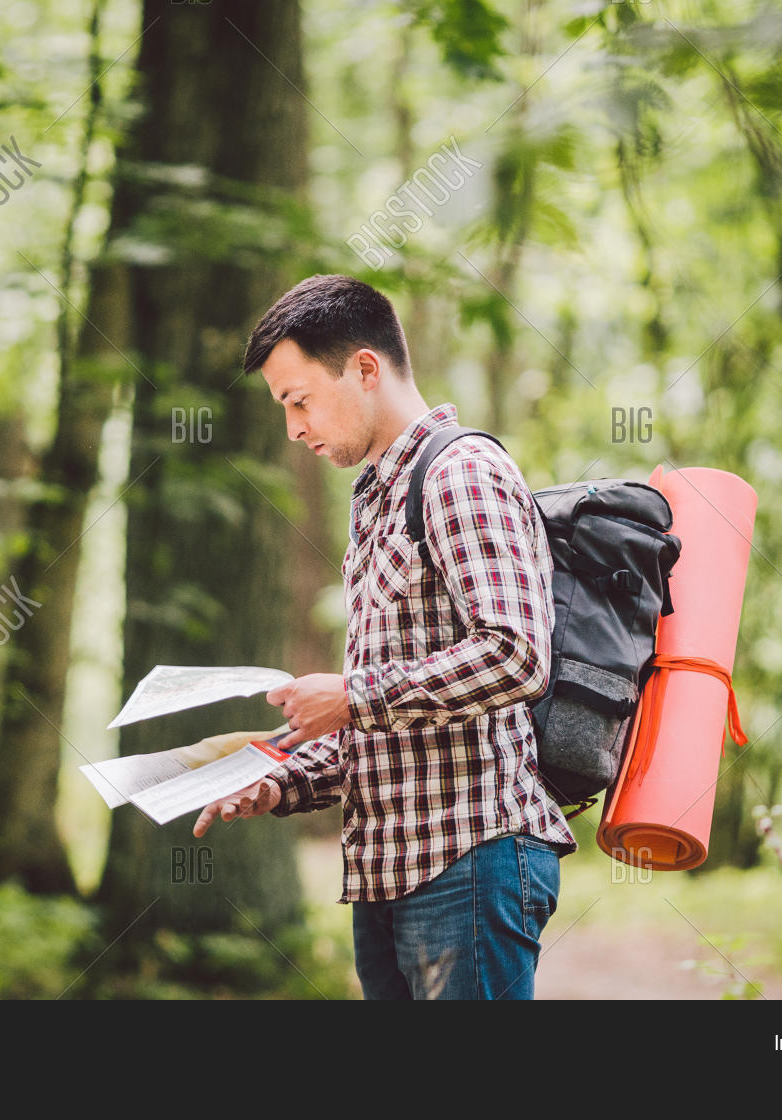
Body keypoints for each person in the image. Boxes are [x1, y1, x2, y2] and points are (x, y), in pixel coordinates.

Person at [193, 274, 576, 1000]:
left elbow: (517, 654)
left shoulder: (460, 473)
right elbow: (389, 725)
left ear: (365, 369)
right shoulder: (377, 498)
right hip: (388, 875)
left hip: (465, 864)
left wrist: (353, 695)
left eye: (298, 400)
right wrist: (280, 784)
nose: (294, 428)